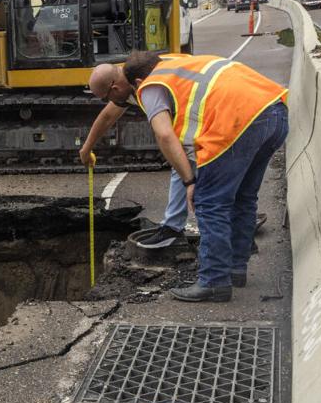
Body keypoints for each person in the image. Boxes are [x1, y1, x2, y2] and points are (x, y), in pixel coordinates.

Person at [122, 50, 288, 303]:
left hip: (238, 123)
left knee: (211, 203)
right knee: (243, 198)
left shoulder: (151, 85)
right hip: (275, 111)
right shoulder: (177, 63)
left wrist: (190, 181)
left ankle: (214, 281)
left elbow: (165, 135)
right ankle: (235, 269)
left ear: (137, 82)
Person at [79, 62, 191, 249]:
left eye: (106, 97)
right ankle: (174, 228)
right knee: (182, 165)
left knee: (189, 166)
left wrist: (189, 180)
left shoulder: (146, 85)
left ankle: (178, 231)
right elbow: (107, 116)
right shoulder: (126, 81)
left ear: (114, 88)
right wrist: (86, 148)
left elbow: (164, 134)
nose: (108, 102)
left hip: (206, 111)